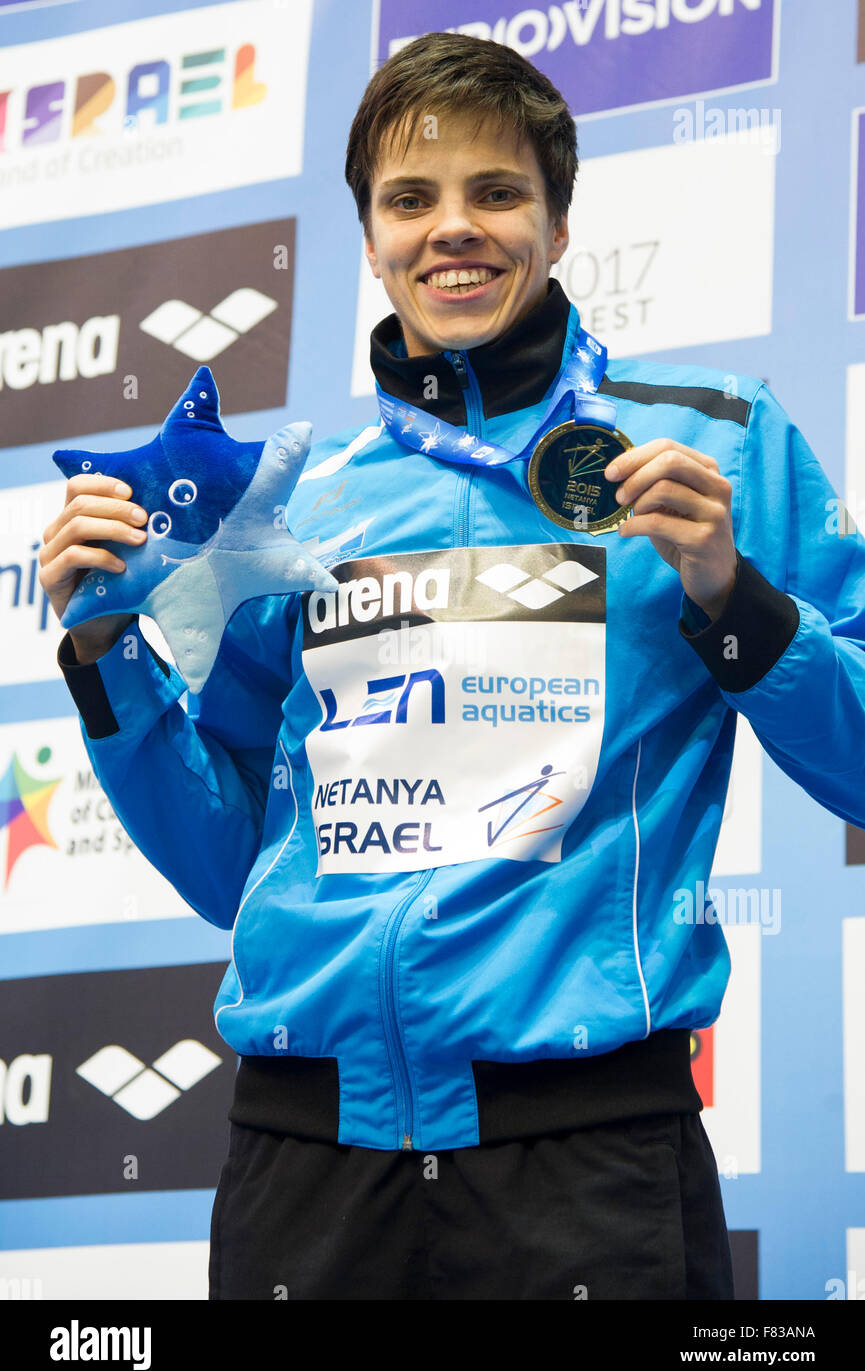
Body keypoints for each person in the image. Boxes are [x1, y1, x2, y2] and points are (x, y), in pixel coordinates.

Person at [39, 32, 865, 1300]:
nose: (453, 230)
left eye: (496, 192)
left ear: (558, 220)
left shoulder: (716, 441)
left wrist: (731, 597)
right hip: (305, 1160)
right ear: (369, 240)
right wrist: (107, 651)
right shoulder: (299, 504)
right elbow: (224, 867)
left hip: (585, 1161)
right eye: (409, 200)